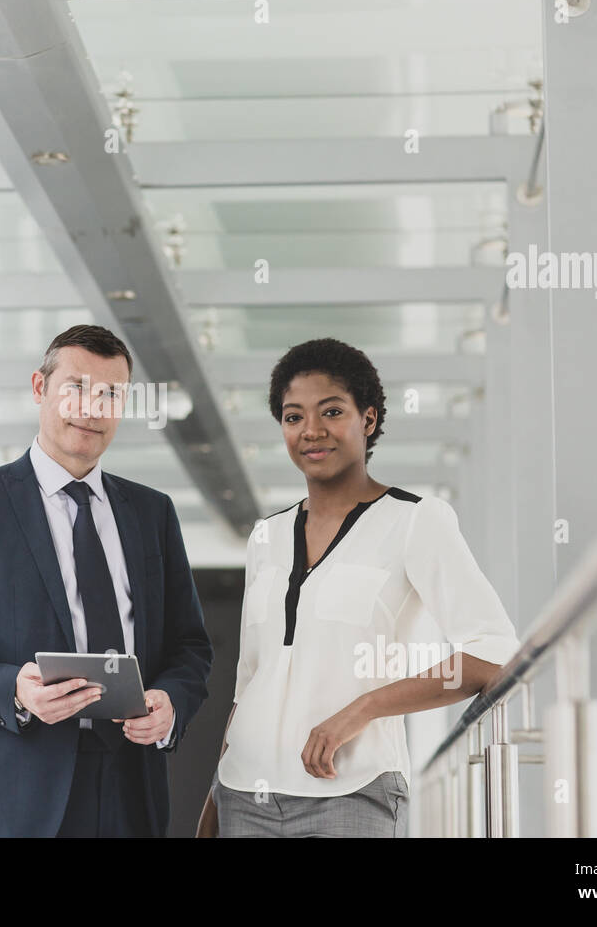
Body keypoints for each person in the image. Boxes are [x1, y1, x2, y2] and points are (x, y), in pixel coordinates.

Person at [196, 338, 521, 838]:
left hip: (352, 791)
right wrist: (214, 800)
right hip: (245, 796)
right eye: (293, 417)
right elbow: (249, 680)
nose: (312, 431)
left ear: (368, 419)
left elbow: (493, 654)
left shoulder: (416, 520)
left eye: (331, 411)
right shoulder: (266, 535)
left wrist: (362, 709)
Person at [0, 324, 212, 837]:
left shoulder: (152, 512)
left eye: (110, 394)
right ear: (39, 388)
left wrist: (172, 703)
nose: (92, 408)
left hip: (130, 789)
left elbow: (189, 645)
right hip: (14, 791)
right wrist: (15, 691)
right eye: (76, 387)